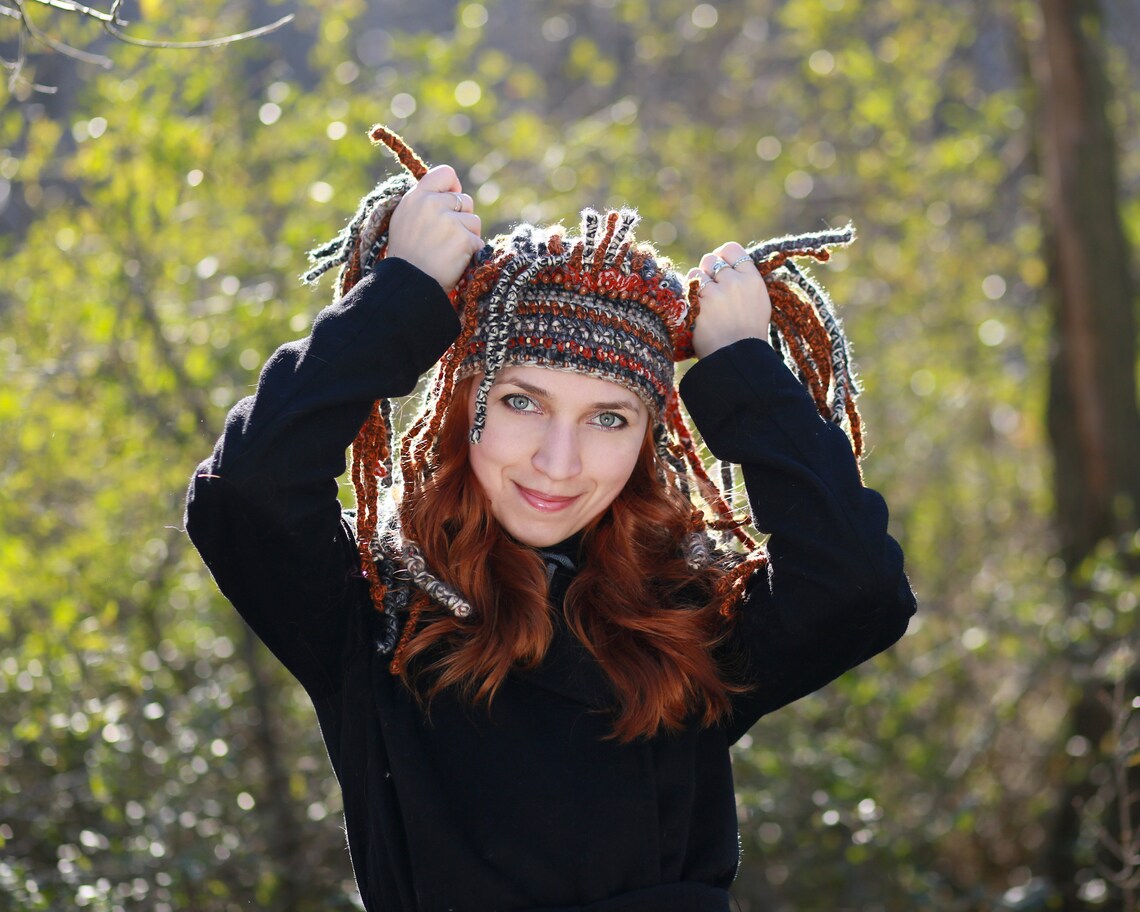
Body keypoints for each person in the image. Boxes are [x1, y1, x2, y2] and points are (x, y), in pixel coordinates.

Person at [185, 126, 916, 912]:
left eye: (608, 419)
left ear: (647, 443)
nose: (558, 462)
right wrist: (403, 293)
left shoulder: (684, 621)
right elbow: (247, 490)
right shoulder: (377, 616)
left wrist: (746, 370)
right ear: (464, 405)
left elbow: (858, 587)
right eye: (522, 402)